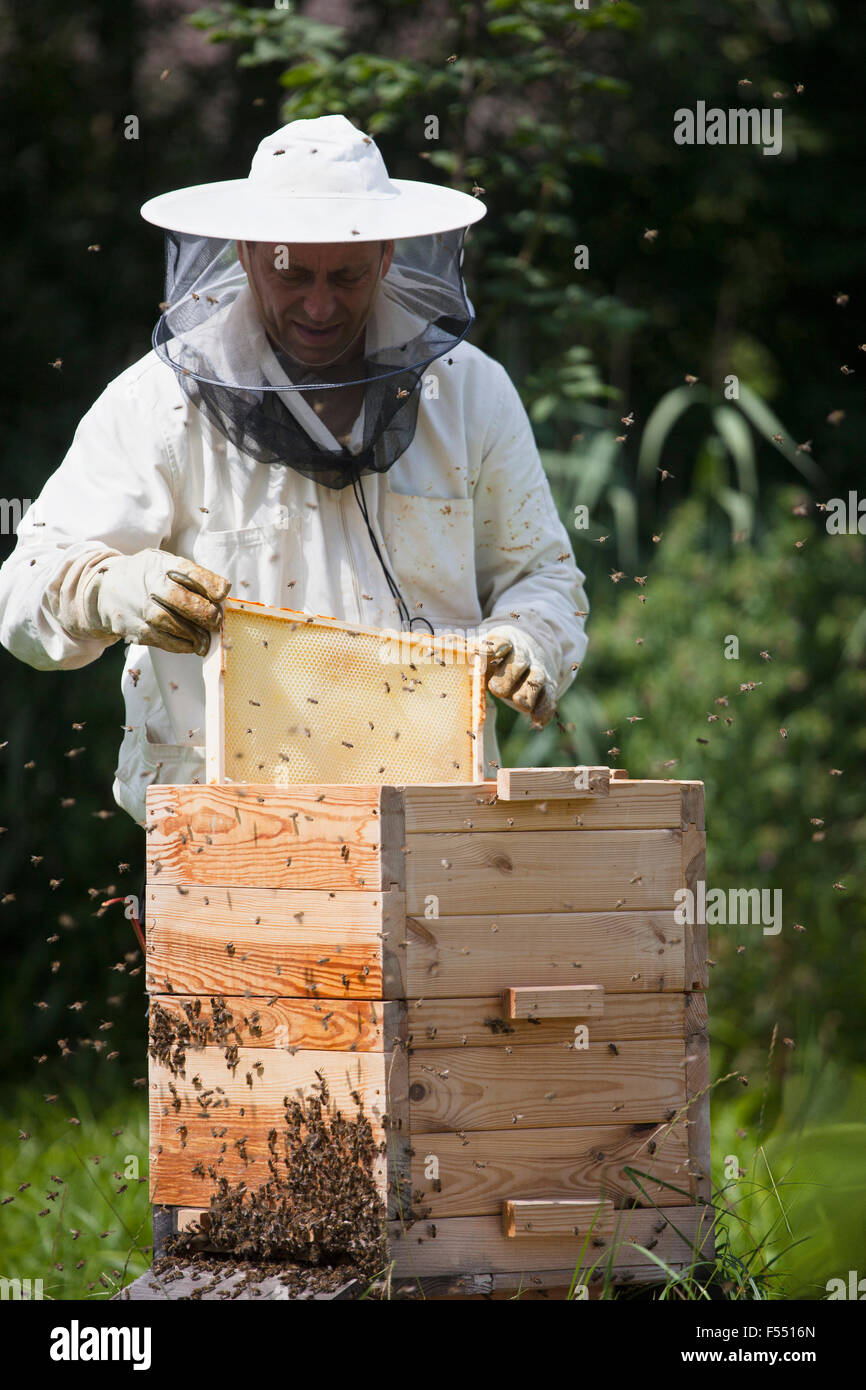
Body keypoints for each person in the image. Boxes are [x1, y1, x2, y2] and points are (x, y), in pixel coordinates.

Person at [0, 114, 589, 836]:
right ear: (246, 255)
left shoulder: (467, 393)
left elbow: (545, 578)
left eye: (344, 275)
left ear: (386, 256)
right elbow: (24, 585)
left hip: (437, 831)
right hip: (223, 835)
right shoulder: (159, 403)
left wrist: (529, 640)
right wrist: (104, 586)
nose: (319, 305)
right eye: (291, 272)